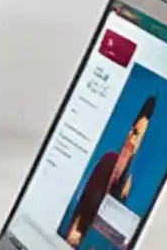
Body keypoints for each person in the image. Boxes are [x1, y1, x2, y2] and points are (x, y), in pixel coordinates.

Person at [61, 95, 155, 247]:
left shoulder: (132, 183)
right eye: (134, 132)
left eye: (139, 139)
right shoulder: (108, 159)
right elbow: (84, 200)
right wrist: (72, 235)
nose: (133, 141)